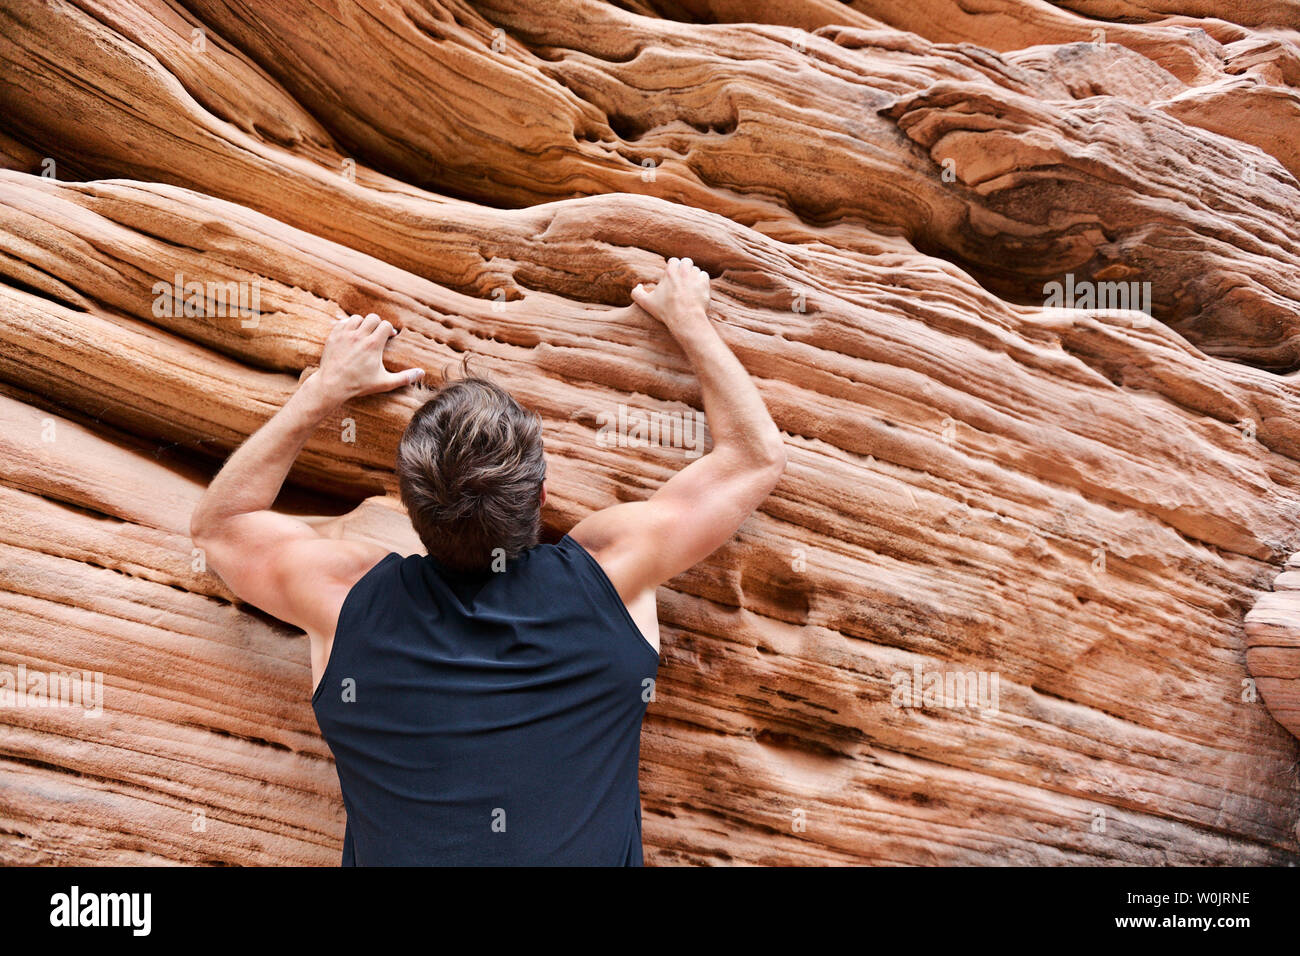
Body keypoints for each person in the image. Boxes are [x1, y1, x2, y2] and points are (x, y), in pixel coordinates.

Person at [190, 256, 787, 865]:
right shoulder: (611, 573)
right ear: (544, 498)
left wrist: (322, 390)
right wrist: (691, 322)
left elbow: (221, 528)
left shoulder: (346, 600)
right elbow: (754, 458)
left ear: (409, 510)